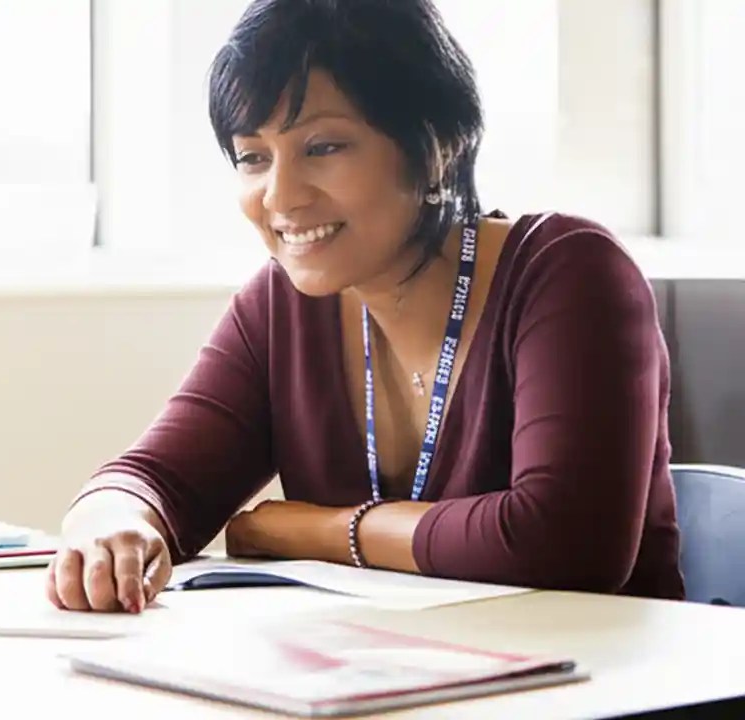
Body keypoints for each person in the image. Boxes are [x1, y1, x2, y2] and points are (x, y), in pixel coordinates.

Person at [48, 0, 683, 614]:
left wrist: (317, 532)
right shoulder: (281, 306)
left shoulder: (568, 270)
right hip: (388, 685)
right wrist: (111, 523)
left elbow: (565, 545)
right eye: (253, 158)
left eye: (323, 147)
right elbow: (154, 478)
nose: (282, 195)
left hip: (602, 686)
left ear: (438, 142)